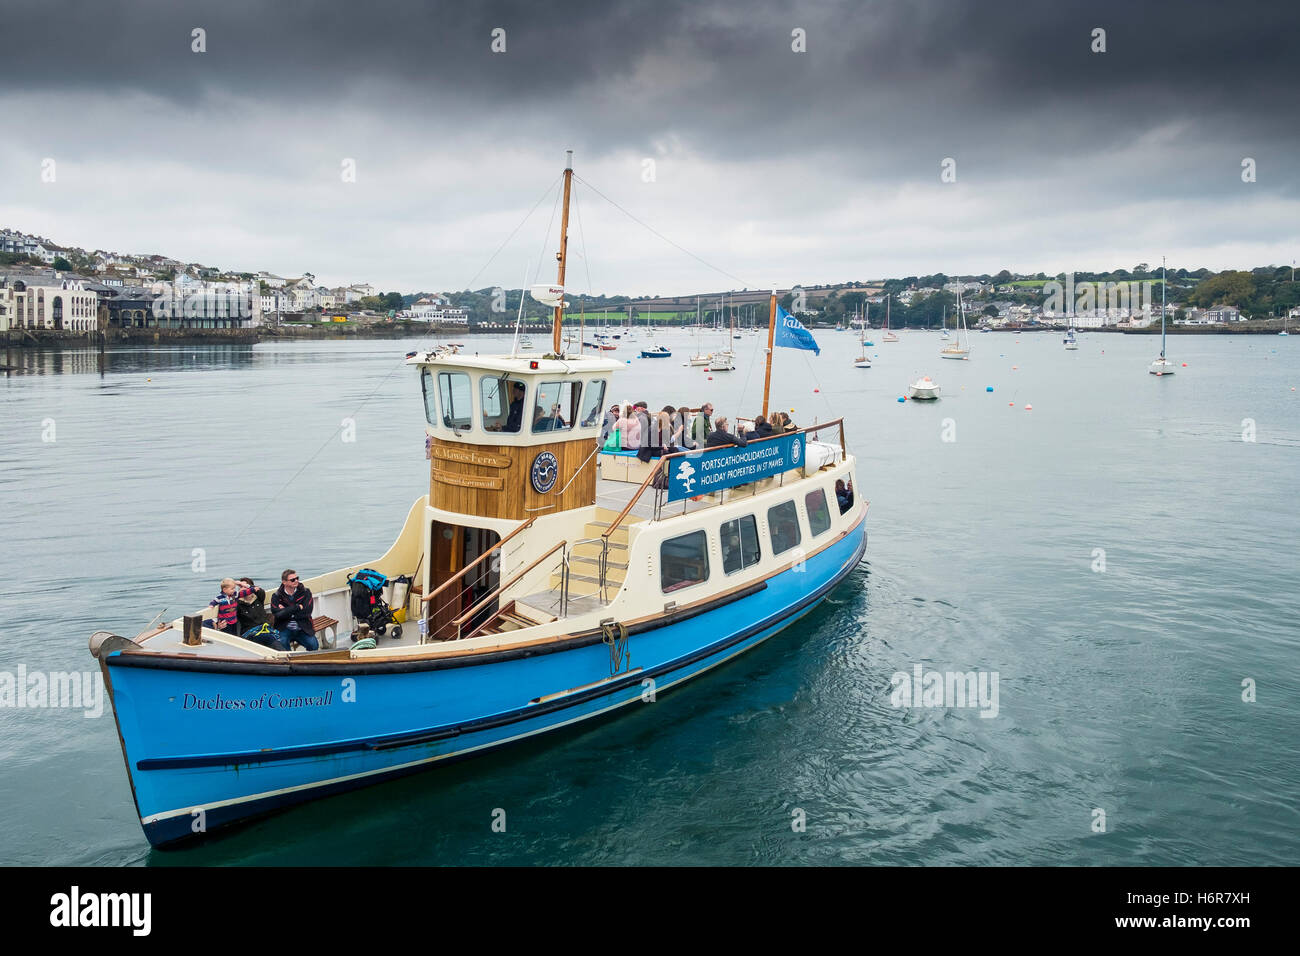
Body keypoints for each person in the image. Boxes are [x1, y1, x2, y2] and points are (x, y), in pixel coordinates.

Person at [236, 577, 289, 651]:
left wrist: (245, 585)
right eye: (241, 587)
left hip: (265, 629)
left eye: (245, 586)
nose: (244, 588)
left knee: (281, 637)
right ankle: (285, 655)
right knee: (268, 637)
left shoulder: (258, 598)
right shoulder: (238, 604)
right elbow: (230, 607)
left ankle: (286, 655)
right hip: (250, 633)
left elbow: (260, 591)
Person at [270, 569, 318, 651]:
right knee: (282, 646)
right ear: (284, 582)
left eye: (297, 578)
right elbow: (277, 614)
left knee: (314, 645)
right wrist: (297, 607)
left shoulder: (306, 592)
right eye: (292, 580)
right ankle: (290, 661)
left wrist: (285, 610)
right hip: (284, 628)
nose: (296, 581)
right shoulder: (276, 596)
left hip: (303, 627)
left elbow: (307, 611)